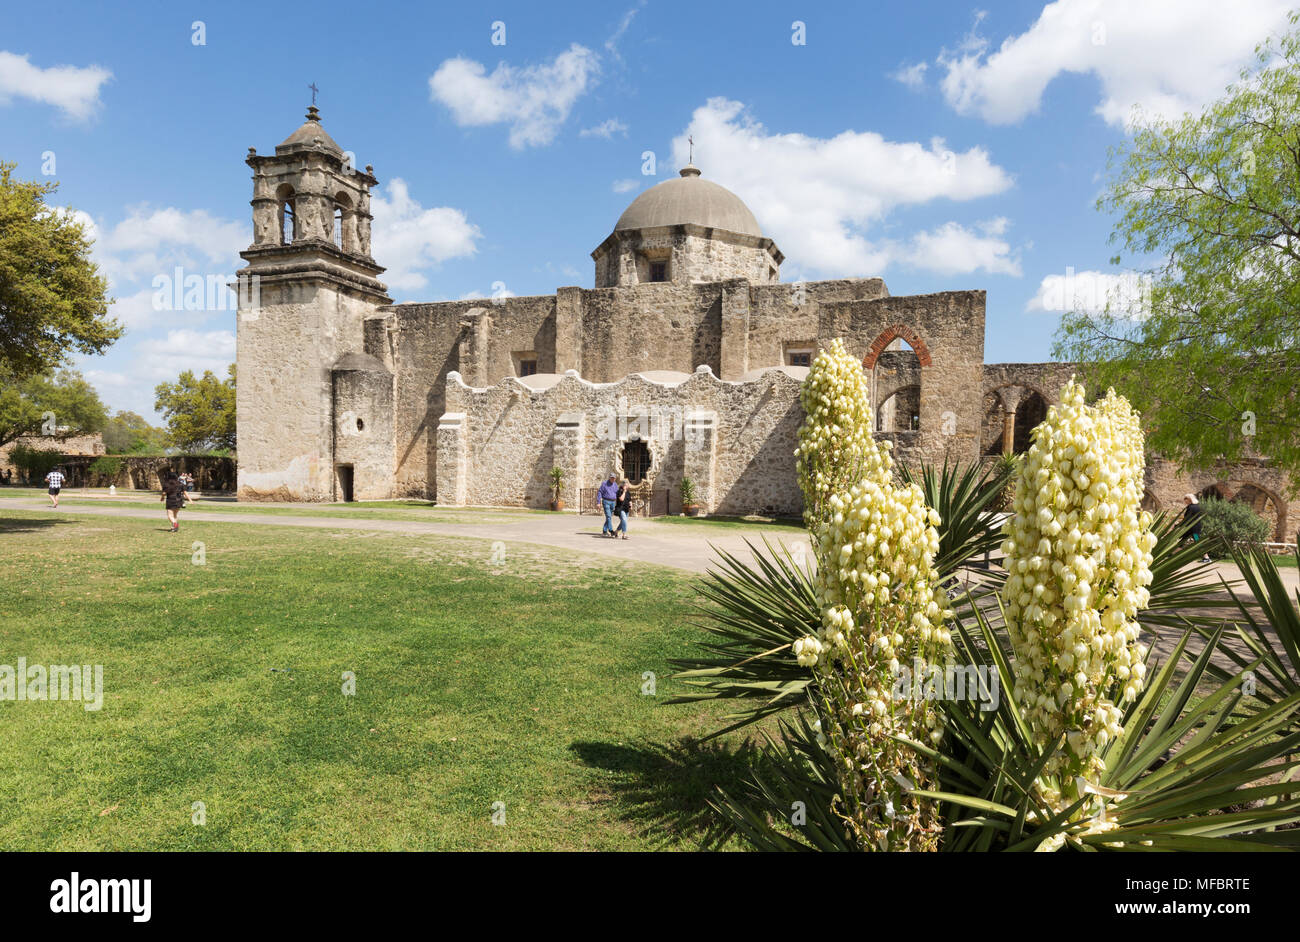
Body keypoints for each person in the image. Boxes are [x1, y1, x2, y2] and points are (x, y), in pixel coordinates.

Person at [1182, 493, 1210, 563]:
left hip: (1192, 528)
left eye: (1185, 499)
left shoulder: (1190, 507)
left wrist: (1178, 526)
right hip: (1196, 527)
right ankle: (1206, 557)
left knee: (1196, 541)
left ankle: (1206, 557)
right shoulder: (1198, 506)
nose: (1184, 500)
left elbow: (1187, 518)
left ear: (1189, 499)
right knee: (1192, 541)